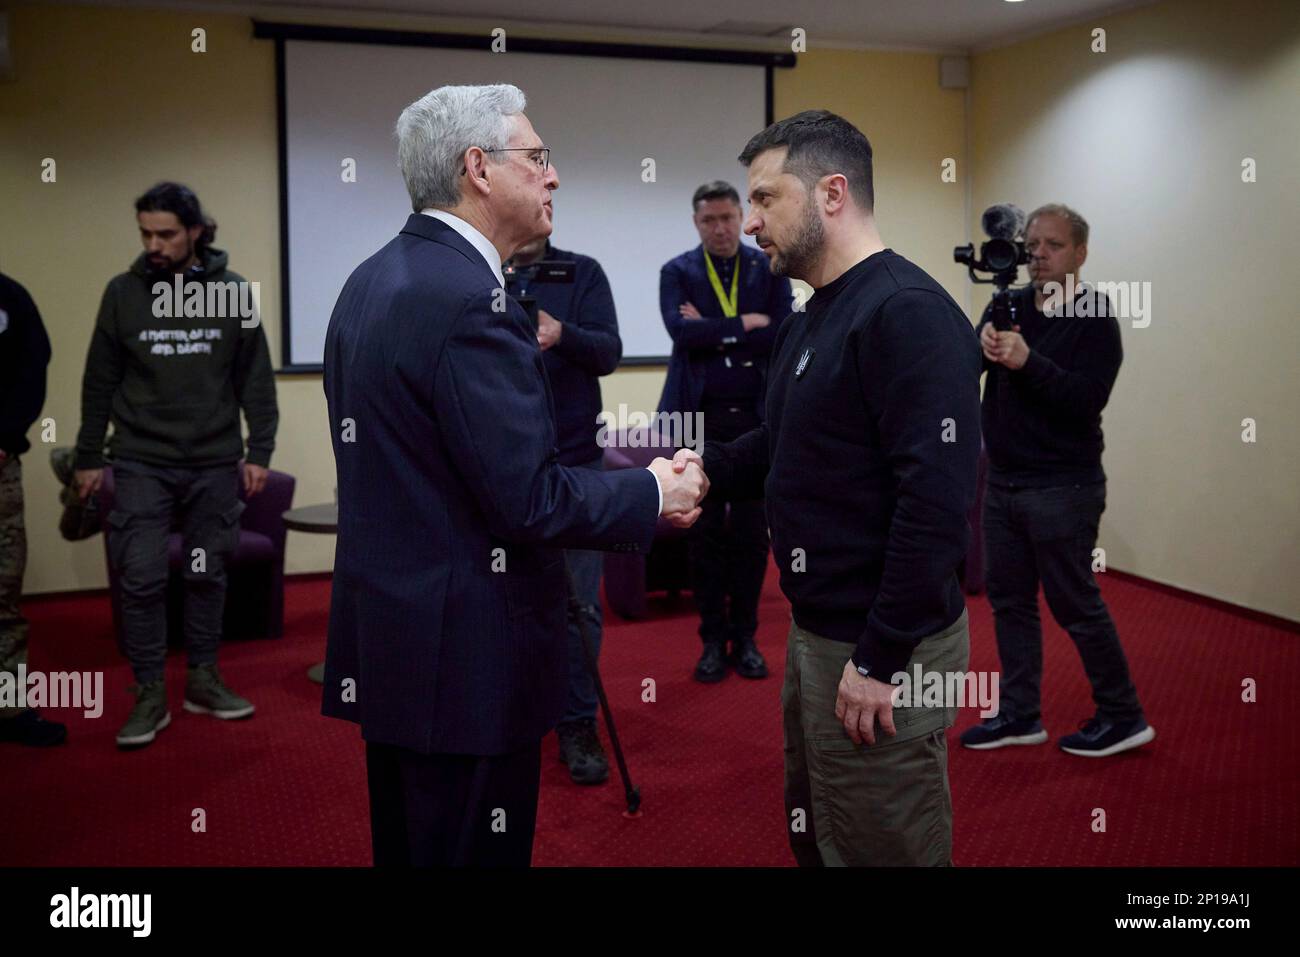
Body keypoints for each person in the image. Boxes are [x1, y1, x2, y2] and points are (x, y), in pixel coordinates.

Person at [320, 83, 706, 867]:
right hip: (465, 659)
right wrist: (652, 491)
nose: (553, 175)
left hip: (398, 642)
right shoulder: (472, 303)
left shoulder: (370, 280)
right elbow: (527, 498)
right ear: (478, 169)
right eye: (536, 157)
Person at [692, 110, 982, 865]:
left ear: (831, 192)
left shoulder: (906, 312)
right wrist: (703, 470)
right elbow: (783, 443)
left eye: (765, 198)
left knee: (885, 843)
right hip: (822, 633)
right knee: (823, 832)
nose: (750, 221)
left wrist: (882, 657)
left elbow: (937, 504)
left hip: (888, 642)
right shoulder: (813, 314)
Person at [74, 182, 279, 749]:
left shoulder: (231, 293)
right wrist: (89, 455)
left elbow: (254, 379)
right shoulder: (123, 293)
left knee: (205, 572)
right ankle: (147, 692)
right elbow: (99, 380)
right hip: (141, 461)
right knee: (139, 576)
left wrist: (259, 450)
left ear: (194, 231)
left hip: (214, 462)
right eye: (145, 234)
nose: (154, 245)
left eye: (165, 233)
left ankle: (203, 679)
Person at [960, 203, 1154, 757]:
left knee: (1075, 604)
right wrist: (975, 350)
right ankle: (1021, 715)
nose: (1038, 254)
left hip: (1063, 486)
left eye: (1053, 245)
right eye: (1033, 244)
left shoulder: (1095, 315)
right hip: (1002, 482)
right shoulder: (1009, 303)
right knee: (1010, 601)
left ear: (1080, 253)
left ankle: (1124, 715)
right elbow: (967, 370)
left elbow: (1087, 399)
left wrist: (1028, 362)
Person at [658, 181, 792, 683]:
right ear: (696, 223)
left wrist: (713, 325)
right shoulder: (678, 271)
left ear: (742, 216)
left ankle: (749, 637)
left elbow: (781, 330)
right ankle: (713, 640)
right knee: (705, 533)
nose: (720, 228)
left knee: (753, 536)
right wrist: (742, 322)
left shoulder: (767, 266)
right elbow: (680, 332)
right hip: (697, 416)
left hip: (757, 416)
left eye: (727, 218)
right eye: (708, 220)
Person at [504, 233, 622, 785]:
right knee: (508, 600)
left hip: (576, 462)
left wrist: (561, 333)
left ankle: (577, 723)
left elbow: (608, 352)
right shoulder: (482, 272)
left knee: (582, 608)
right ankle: (516, 717)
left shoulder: (583, 271)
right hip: (504, 465)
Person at [0, 270, 65, 747]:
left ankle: (9, 708)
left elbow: (31, 367)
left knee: (2, 594)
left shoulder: (9, 297)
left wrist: (4, 440)